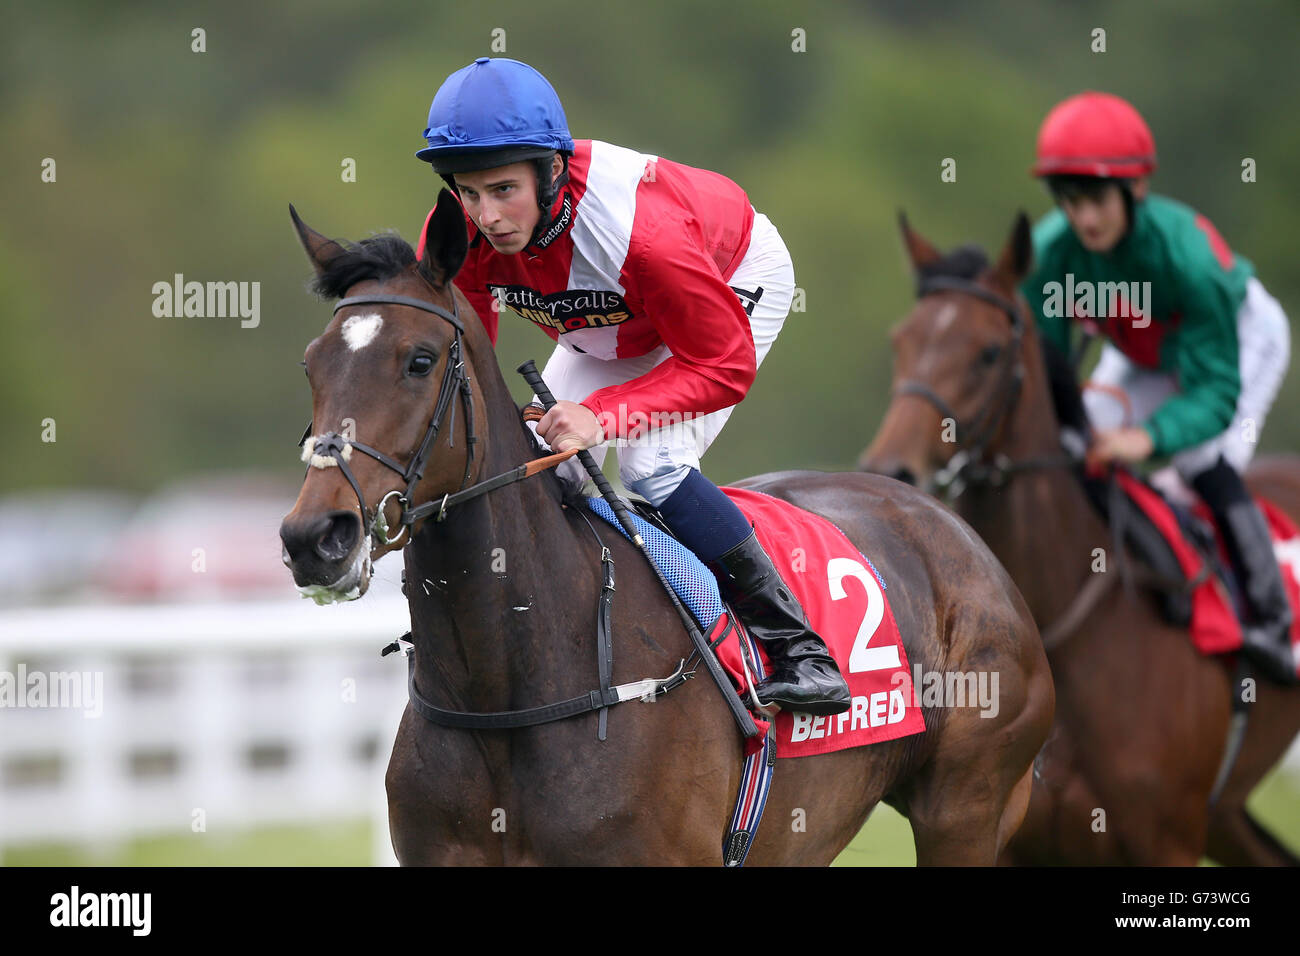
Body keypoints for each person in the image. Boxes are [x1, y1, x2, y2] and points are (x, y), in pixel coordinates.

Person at [413, 57, 850, 714]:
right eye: (469, 193)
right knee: (543, 471)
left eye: (503, 190)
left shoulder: (642, 234)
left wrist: (605, 417)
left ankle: (799, 648)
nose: (487, 216)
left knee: (654, 466)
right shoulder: (461, 233)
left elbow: (722, 366)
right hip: (616, 314)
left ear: (552, 169)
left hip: (723, 283)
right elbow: (467, 363)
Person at [1020, 90, 1295, 684]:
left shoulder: (1189, 259)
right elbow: (1050, 363)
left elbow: (1215, 392)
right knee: (1080, 445)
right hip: (1144, 352)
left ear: (1135, 189)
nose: (1084, 218)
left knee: (1195, 458)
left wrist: (1148, 439)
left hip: (1239, 341)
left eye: (1095, 199)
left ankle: (1272, 618)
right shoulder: (1051, 254)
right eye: (1069, 201)